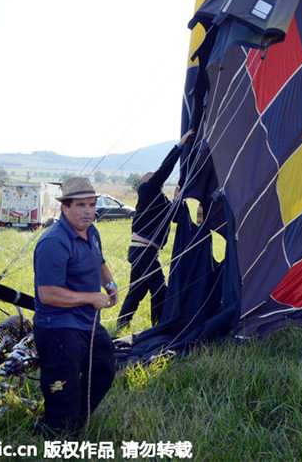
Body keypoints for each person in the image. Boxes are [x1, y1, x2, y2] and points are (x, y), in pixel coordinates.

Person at [32, 176, 118, 436]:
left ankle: (75, 423)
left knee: (103, 371)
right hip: (59, 328)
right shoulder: (53, 243)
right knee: (63, 390)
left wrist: (110, 285)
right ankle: (54, 434)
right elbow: (47, 294)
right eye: (81, 205)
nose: (89, 211)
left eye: (92, 204)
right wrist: (92, 298)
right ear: (64, 207)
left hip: (88, 324)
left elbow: (99, 263)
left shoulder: (92, 231)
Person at [117, 129, 194, 328]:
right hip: (143, 250)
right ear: (146, 184)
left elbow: (175, 217)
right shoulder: (147, 191)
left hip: (144, 251)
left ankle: (121, 324)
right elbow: (163, 171)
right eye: (152, 178)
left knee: (137, 290)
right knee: (160, 288)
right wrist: (179, 146)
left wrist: (177, 200)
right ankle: (158, 326)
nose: (157, 179)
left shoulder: (160, 201)